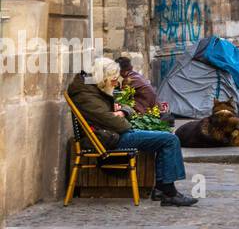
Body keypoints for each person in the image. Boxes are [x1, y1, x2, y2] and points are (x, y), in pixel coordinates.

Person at [66, 57, 197, 206]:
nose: (116, 84)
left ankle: (162, 189)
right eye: (113, 80)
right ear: (103, 77)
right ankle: (169, 192)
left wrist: (122, 112)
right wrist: (123, 117)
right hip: (108, 139)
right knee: (170, 140)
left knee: (166, 139)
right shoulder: (86, 95)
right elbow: (115, 122)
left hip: (111, 133)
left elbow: (119, 111)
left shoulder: (92, 88)